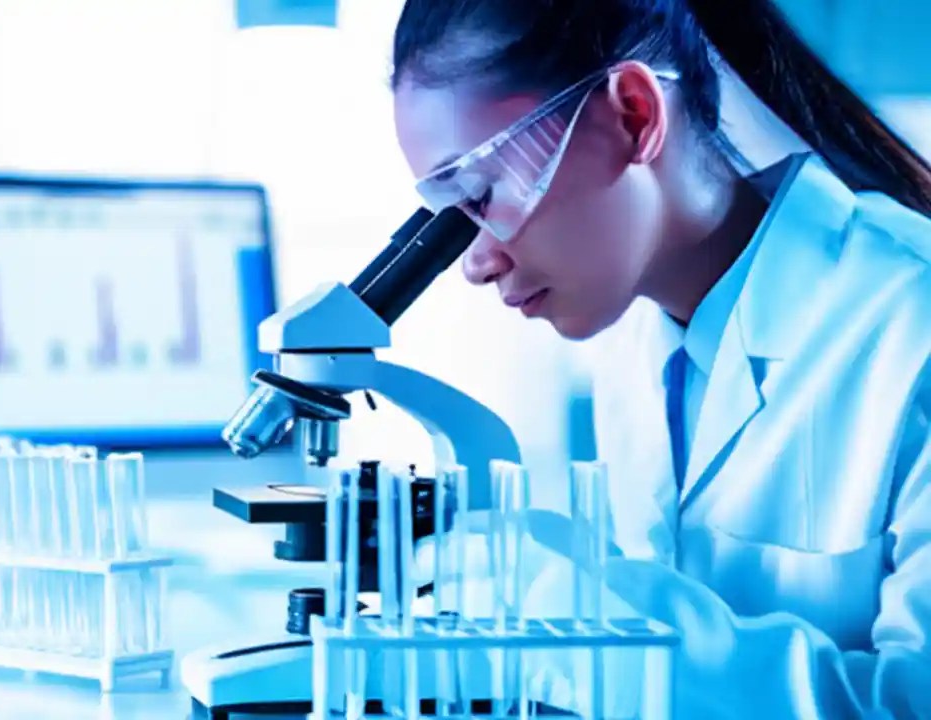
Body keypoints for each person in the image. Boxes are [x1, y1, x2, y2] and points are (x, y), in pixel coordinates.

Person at [390, 0, 931, 717]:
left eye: (482, 196)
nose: (476, 263)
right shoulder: (638, 341)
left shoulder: (908, 326)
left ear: (636, 115)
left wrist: (573, 617)